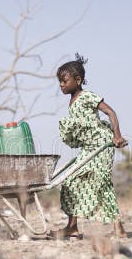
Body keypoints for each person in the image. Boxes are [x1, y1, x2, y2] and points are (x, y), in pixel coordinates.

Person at [54, 53, 127, 239]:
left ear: (78, 80)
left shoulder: (87, 96)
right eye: (60, 82)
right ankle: (72, 227)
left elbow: (110, 112)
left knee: (100, 182)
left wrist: (117, 135)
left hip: (102, 143)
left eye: (64, 81)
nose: (61, 85)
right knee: (70, 181)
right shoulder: (72, 102)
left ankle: (119, 227)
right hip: (89, 148)